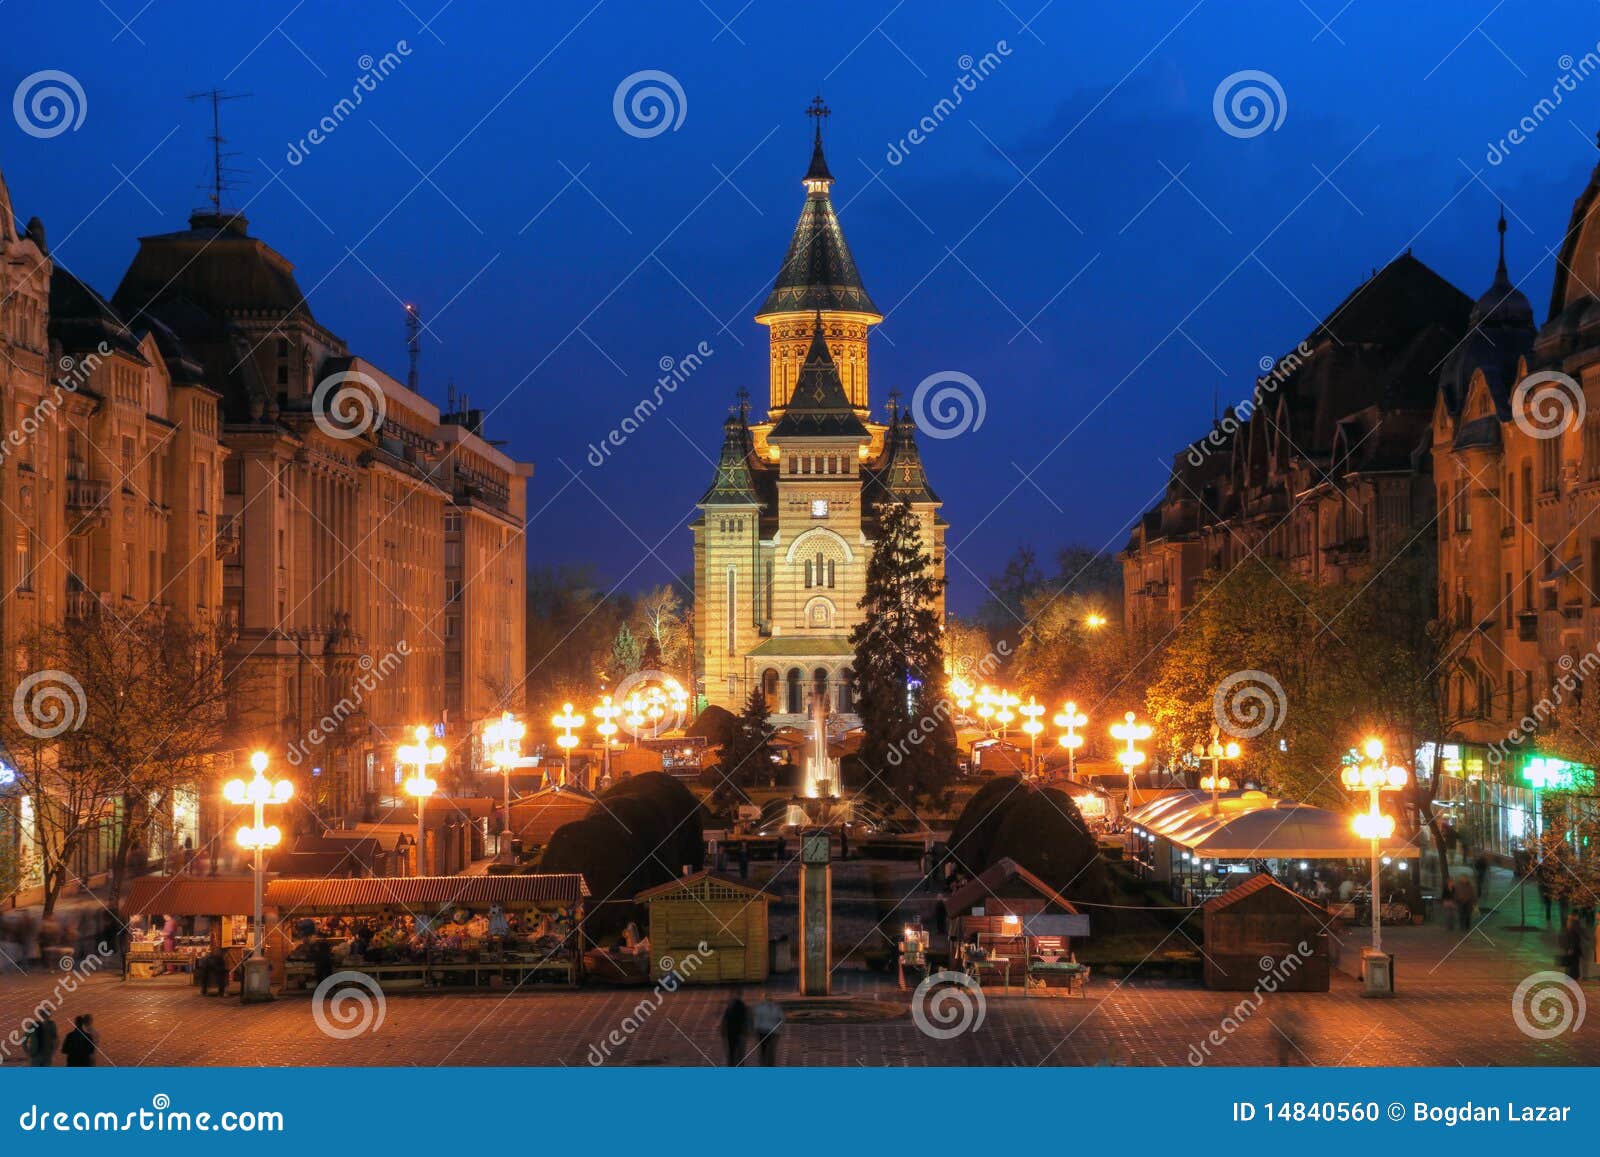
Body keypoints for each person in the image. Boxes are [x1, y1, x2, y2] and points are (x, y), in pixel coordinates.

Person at [752, 996, 783, 1066]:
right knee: (770, 1050)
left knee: (764, 1049)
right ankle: (769, 1064)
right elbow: (781, 1019)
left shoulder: (760, 1008)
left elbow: (756, 1021)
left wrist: (756, 1029)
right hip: (771, 1032)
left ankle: (765, 1063)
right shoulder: (776, 1008)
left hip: (764, 1032)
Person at [720, 992, 749, 1066]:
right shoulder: (732, 1006)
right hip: (733, 1032)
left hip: (736, 1032)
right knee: (734, 1050)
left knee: (735, 1051)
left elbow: (743, 1019)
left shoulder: (739, 1006)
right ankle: (735, 1064)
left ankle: (734, 1064)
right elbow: (726, 1018)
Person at [1562, 914, 1584, 981]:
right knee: (1572, 963)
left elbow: (1573, 939)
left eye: (1569, 921)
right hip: (1572, 949)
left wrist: (1571, 948)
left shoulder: (1573, 929)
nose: (1568, 922)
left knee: (1573, 964)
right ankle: (1573, 976)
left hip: (1573, 949)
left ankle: (1573, 976)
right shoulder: (1571, 928)